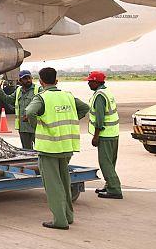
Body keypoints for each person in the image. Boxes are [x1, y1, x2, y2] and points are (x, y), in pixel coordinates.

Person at [24, 66, 90, 230]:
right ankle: (68, 215)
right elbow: (85, 108)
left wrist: (37, 125)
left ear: (41, 81)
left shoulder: (42, 98)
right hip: (67, 146)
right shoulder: (68, 96)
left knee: (53, 184)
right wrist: (71, 119)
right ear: (56, 80)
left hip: (49, 148)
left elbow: (30, 112)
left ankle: (60, 220)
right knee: (64, 181)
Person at [86, 71, 122, 199]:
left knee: (105, 163)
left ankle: (115, 189)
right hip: (114, 133)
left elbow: (99, 119)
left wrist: (96, 136)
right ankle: (109, 185)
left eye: (90, 81)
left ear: (96, 82)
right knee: (111, 162)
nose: (88, 83)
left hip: (105, 135)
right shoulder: (107, 92)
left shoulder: (100, 96)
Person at [0, 70, 40, 149]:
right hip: (23, 128)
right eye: (25, 78)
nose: (28, 80)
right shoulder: (18, 90)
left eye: (29, 78)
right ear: (20, 80)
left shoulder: (38, 89)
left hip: (36, 127)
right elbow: (8, 99)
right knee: (27, 151)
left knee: (40, 149)